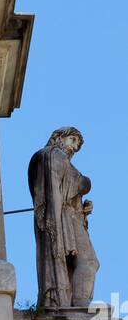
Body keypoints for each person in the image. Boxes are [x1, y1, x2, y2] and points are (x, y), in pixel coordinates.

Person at [28, 126, 99, 307]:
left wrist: (82, 207)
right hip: (62, 217)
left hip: (71, 216)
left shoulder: (58, 159)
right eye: (73, 140)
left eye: (78, 144)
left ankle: (77, 305)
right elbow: (53, 194)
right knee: (89, 261)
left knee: (85, 263)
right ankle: (80, 306)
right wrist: (55, 224)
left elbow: (68, 191)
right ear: (59, 136)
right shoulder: (52, 155)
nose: (75, 147)